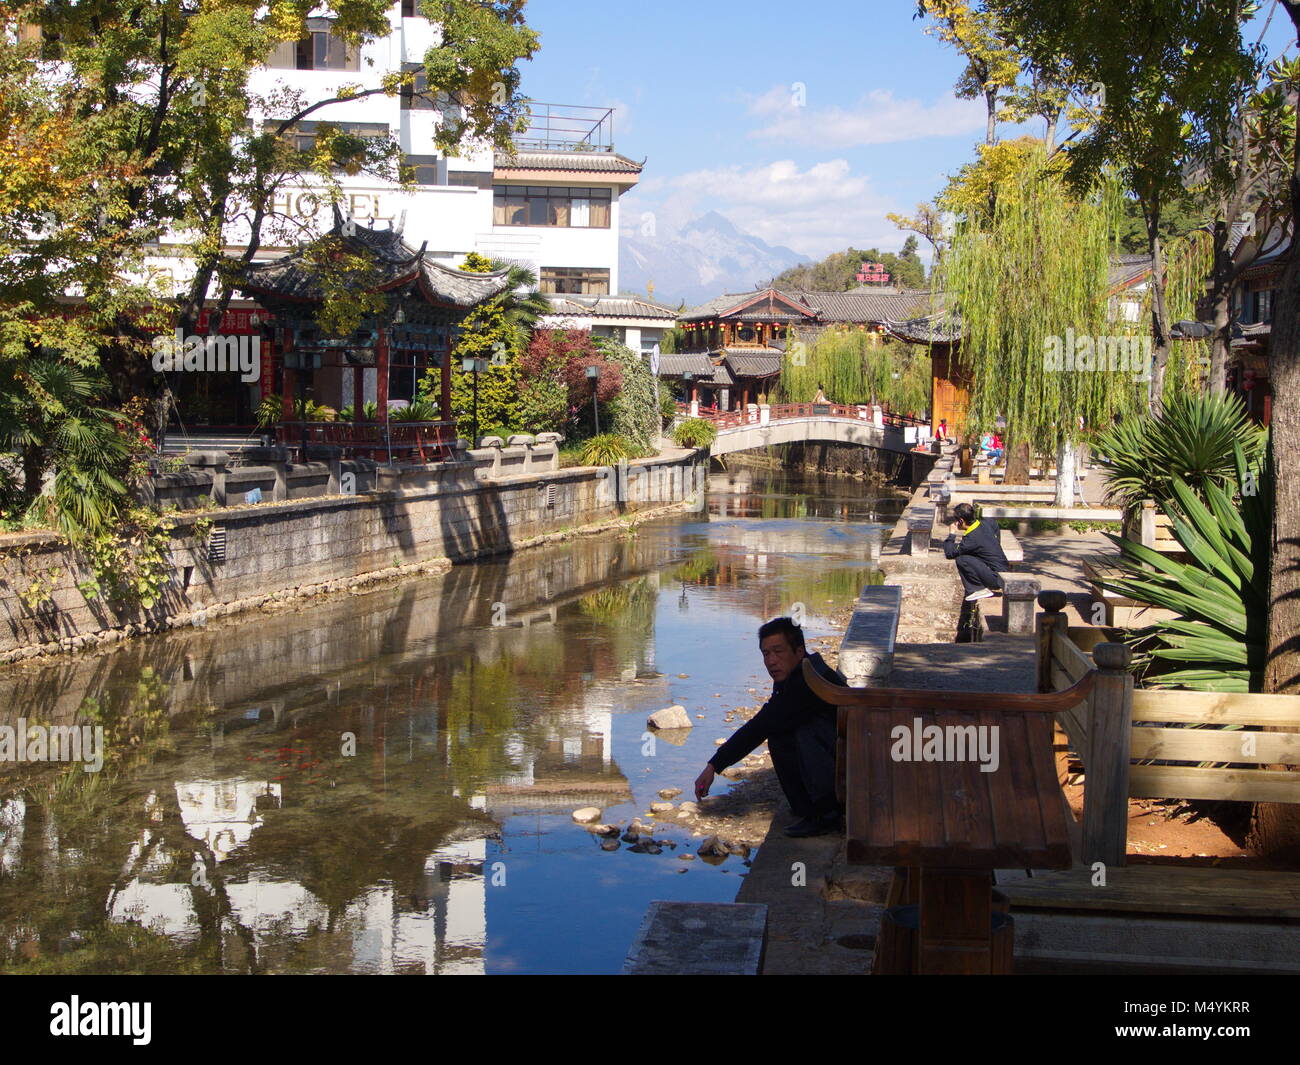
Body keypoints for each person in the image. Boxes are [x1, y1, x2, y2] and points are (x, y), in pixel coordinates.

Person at [693, 617, 846, 837]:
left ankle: (824, 814)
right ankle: (809, 809)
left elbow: (760, 725)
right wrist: (715, 765)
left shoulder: (807, 682)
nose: (771, 661)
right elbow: (766, 719)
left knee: (790, 732)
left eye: (778, 651)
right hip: (844, 755)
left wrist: (714, 765)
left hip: (851, 763)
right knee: (782, 731)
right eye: (766, 654)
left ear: (799, 651)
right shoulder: (800, 672)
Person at [944, 502, 1009, 601]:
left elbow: (949, 553)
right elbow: (994, 525)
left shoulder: (972, 539)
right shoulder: (985, 523)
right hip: (1003, 571)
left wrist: (952, 534)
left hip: (996, 579)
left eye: (956, 520)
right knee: (969, 554)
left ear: (961, 521)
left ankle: (978, 589)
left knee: (962, 559)